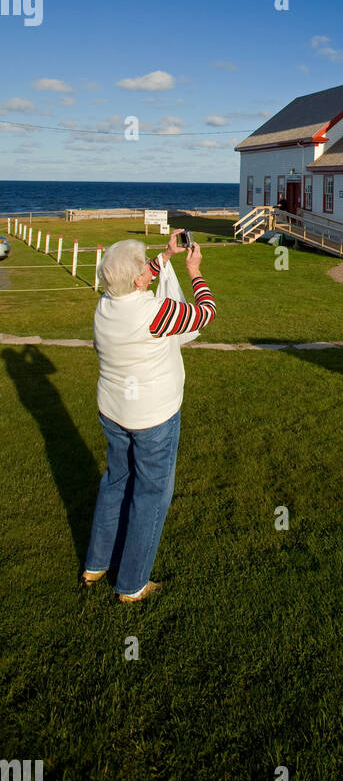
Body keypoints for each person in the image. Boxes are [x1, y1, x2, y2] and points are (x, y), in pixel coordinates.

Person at [81, 230, 216, 602]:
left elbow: (135, 279)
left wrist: (166, 255)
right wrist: (194, 272)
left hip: (113, 412)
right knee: (151, 494)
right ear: (137, 278)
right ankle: (131, 584)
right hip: (153, 417)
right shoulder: (154, 314)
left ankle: (96, 564)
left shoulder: (107, 304)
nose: (147, 271)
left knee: (115, 483)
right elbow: (206, 313)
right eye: (144, 268)